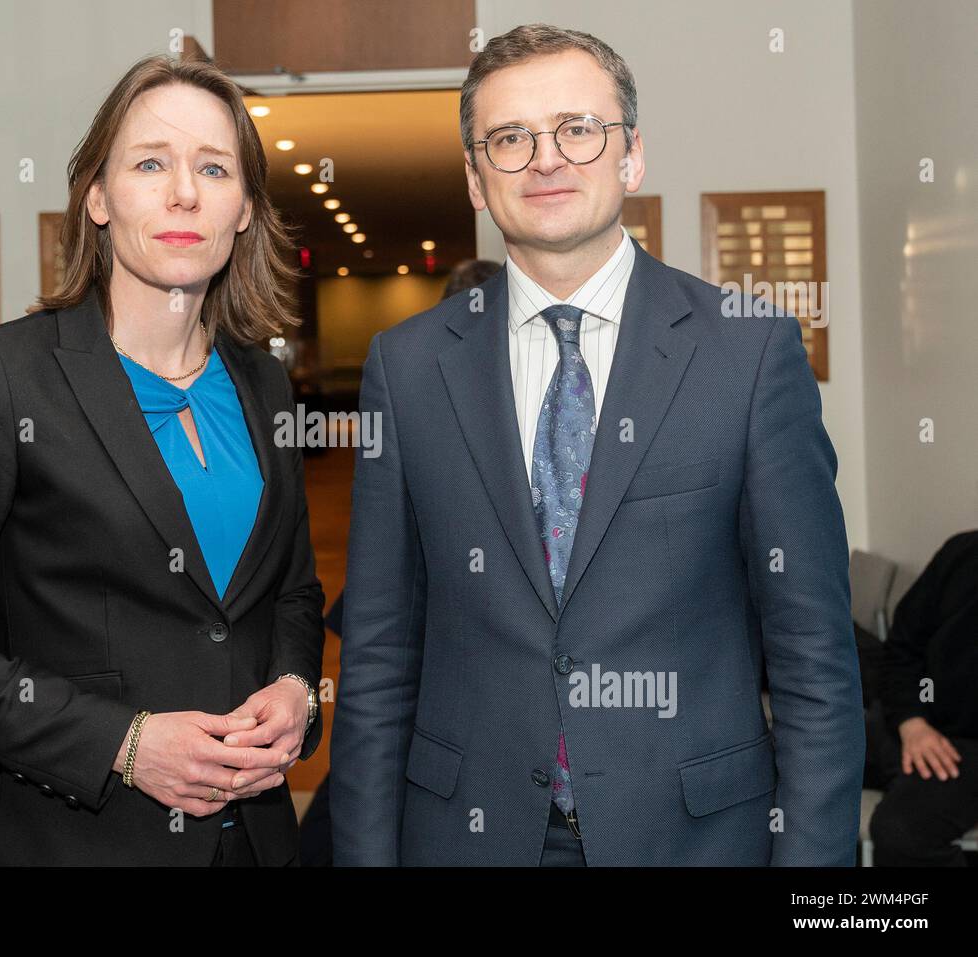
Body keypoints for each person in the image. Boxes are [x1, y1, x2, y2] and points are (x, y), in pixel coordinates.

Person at [331, 23, 863, 866]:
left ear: (631, 155)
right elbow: (380, 654)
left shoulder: (748, 352)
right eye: (510, 138)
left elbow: (814, 660)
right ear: (475, 178)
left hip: (696, 837)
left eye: (578, 128)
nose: (546, 159)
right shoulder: (409, 366)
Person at [0, 55, 325, 866]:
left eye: (213, 168)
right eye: (151, 162)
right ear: (99, 198)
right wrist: (125, 743)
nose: (184, 191)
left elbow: (289, 589)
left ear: (244, 208)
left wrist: (295, 687)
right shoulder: (2, 376)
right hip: (67, 841)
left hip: (252, 842)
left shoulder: (262, 384)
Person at [868, 530, 978, 865]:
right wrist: (911, 723)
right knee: (778, 759)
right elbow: (901, 649)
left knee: (899, 833)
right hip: (907, 722)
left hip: (965, 749)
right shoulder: (962, 551)